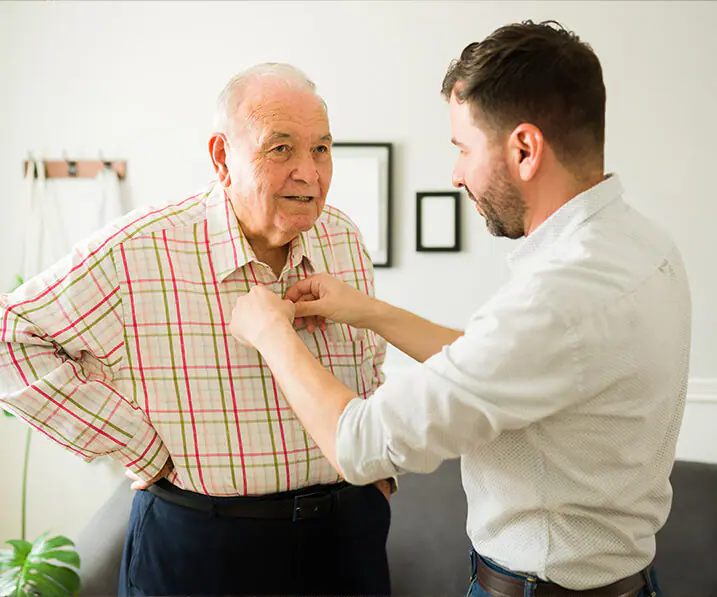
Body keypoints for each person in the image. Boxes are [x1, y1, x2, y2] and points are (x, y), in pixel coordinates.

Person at [228, 21, 690, 597]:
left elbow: (360, 445)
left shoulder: (556, 298)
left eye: (463, 149)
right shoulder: (643, 245)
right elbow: (509, 365)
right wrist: (368, 311)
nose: (456, 175)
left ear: (524, 150)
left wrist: (272, 334)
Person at [0, 63, 393, 597]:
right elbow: (11, 337)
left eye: (321, 149)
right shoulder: (139, 250)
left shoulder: (342, 236)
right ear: (222, 157)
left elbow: (369, 363)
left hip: (346, 538)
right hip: (203, 546)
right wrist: (140, 447)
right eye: (281, 149)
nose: (309, 172)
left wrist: (380, 478)